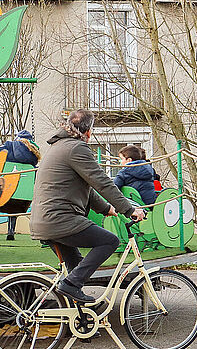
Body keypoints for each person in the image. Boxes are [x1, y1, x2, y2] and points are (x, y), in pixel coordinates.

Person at [31, 110, 146, 304]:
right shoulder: (76, 148)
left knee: (76, 266)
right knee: (109, 241)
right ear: (89, 132)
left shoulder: (60, 146)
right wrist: (129, 210)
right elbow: (101, 182)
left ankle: (83, 320)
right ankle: (70, 287)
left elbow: (89, 189)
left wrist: (107, 209)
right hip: (59, 219)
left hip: (45, 220)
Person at [0, 130, 41, 239]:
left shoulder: (9, 145)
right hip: (22, 191)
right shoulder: (34, 153)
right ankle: (11, 231)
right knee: (14, 207)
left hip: (5, 185)